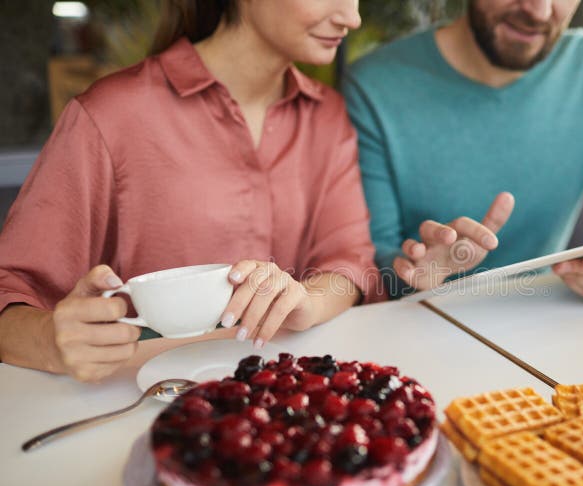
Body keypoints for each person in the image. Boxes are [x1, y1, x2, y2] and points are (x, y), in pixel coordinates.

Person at [0, 0, 378, 382]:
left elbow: (348, 262)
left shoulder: (327, 116)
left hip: (285, 403)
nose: (353, 18)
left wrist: (306, 302)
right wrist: (51, 341)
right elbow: (10, 293)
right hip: (141, 409)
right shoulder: (111, 114)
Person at [343, 0, 583, 300]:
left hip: (550, 331)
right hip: (416, 333)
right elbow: (370, 268)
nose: (539, 10)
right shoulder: (374, 87)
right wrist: (415, 272)